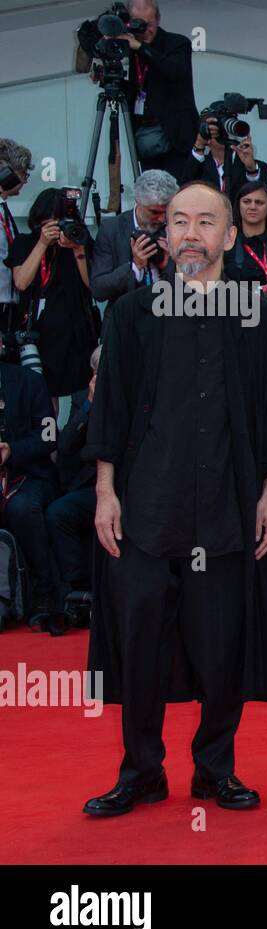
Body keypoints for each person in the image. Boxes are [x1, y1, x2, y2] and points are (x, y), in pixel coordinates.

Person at [82, 181, 267, 817]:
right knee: (140, 639)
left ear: (230, 237)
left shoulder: (254, 318)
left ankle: (215, 770)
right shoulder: (130, 316)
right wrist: (104, 492)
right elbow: (111, 409)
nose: (191, 233)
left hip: (226, 507)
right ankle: (142, 770)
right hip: (147, 508)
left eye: (206, 222)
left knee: (220, 642)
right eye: (179, 222)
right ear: (163, 234)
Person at [5, 188, 100, 398]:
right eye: (53, 222)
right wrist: (42, 243)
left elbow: (92, 286)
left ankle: (74, 431)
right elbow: (21, 282)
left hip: (76, 333)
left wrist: (78, 249)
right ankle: (49, 431)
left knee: (84, 392)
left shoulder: (80, 240)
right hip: (39, 334)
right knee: (43, 397)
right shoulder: (25, 243)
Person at [0, 354, 60, 631]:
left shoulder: (30, 382)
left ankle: (45, 597)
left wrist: (12, 450)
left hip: (30, 476)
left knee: (21, 508)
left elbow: (49, 438)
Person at [45, 346, 101, 635]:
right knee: (58, 512)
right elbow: (65, 445)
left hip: (130, 487)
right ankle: (78, 590)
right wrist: (91, 404)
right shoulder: (82, 400)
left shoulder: (136, 398)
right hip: (89, 487)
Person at [117, 0, 200, 181]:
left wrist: (140, 48)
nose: (145, 30)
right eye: (140, 25)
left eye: (150, 24)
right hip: (145, 134)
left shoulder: (177, 43)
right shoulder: (131, 49)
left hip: (176, 136)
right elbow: (136, 89)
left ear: (159, 19)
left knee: (176, 194)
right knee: (152, 195)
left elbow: (174, 71)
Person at [90, 168, 177, 304]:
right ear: (138, 201)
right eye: (154, 212)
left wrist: (167, 265)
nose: (162, 219)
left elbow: (196, 285)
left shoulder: (176, 228)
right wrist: (135, 267)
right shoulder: (112, 229)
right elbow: (98, 289)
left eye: (167, 212)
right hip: (126, 319)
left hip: (168, 317)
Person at [182, 116, 267, 201]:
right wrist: (199, 144)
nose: (225, 135)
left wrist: (251, 169)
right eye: (218, 131)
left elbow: (264, 198)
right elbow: (184, 191)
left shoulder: (256, 166)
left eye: (227, 130)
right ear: (207, 137)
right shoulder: (198, 166)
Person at [0, 139, 33, 343]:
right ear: (5, 174)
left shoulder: (4, 209)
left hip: (9, 307)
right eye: (23, 175)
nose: (25, 181)